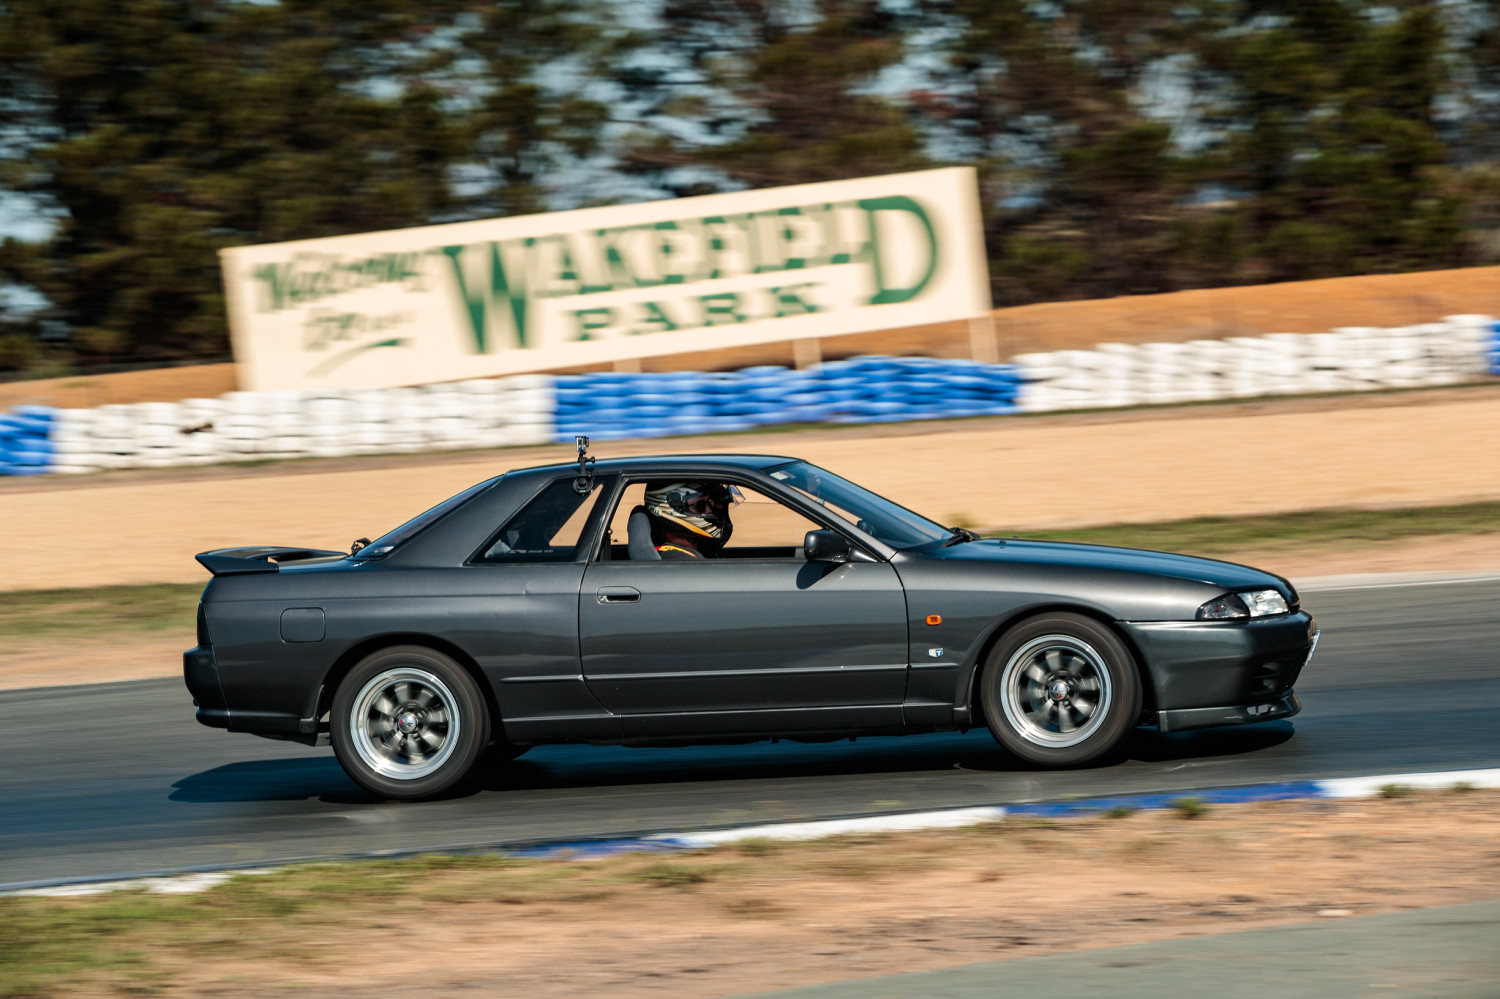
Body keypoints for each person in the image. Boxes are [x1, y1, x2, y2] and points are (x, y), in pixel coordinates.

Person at [638, 481, 737, 559]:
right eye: (700, 505)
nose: (710, 510)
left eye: (710, 502)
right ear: (673, 510)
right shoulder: (683, 561)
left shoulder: (690, 554)